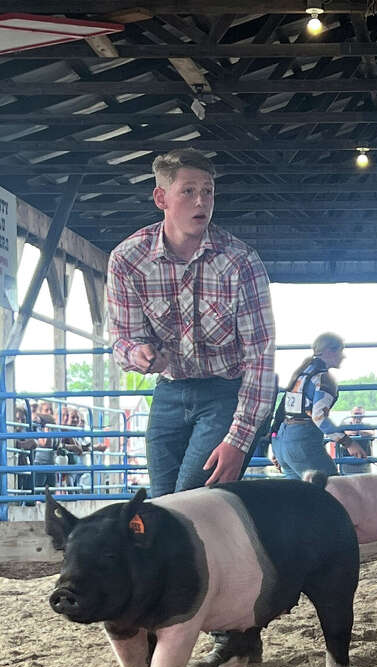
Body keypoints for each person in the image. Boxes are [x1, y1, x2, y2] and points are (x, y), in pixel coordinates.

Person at [106, 147, 275, 498]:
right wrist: (139, 354)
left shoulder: (240, 261)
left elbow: (261, 358)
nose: (201, 201)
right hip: (169, 391)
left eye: (208, 192)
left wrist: (239, 440)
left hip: (227, 392)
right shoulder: (127, 259)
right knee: (161, 503)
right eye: (188, 191)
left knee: (192, 498)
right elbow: (122, 338)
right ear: (161, 198)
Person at [270, 333, 365, 480]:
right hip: (303, 442)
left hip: (282, 441)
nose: (343, 356)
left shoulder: (301, 374)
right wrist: (348, 443)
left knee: (298, 491)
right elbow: (319, 417)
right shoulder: (324, 379)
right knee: (332, 486)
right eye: (340, 350)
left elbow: (282, 410)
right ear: (328, 351)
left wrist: (275, 444)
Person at [336, 405, 374, 475]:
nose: (357, 416)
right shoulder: (344, 425)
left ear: (363, 415)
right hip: (347, 461)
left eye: (360, 414)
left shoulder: (367, 425)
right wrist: (350, 432)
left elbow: (371, 433)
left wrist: (358, 430)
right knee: (347, 480)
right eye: (356, 413)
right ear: (351, 414)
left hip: (364, 461)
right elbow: (339, 434)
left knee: (365, 480)